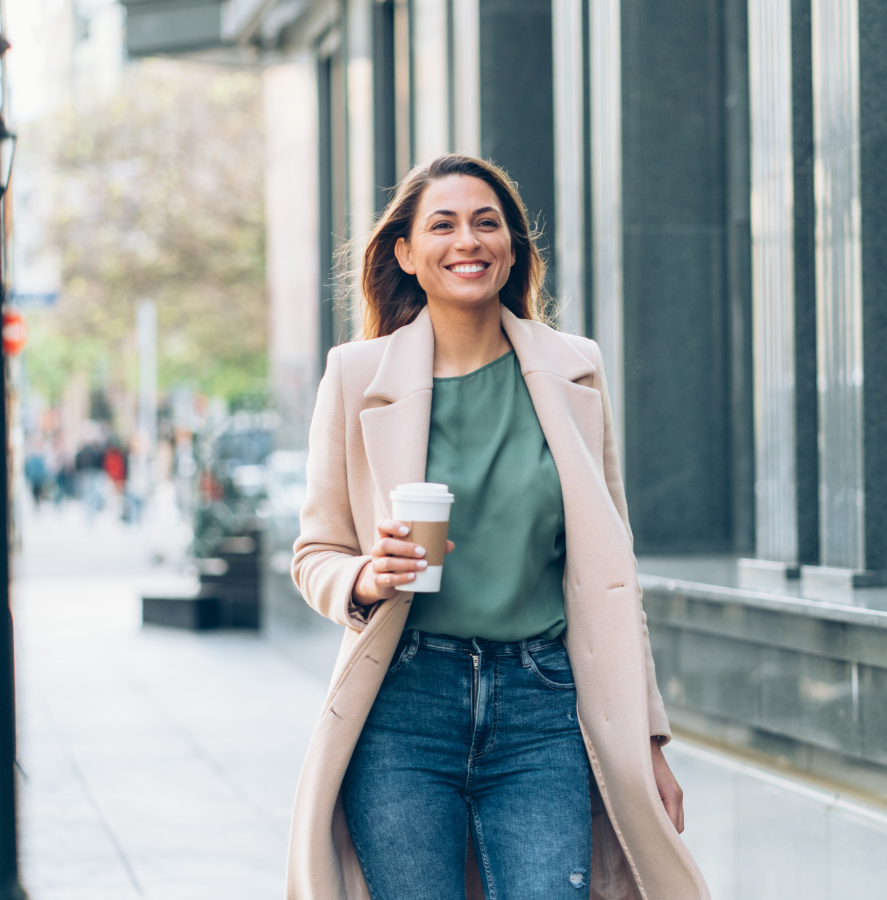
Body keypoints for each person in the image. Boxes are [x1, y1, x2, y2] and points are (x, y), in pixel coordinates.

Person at [287, 154, 708, 900]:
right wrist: (364, 575)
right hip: (404, 702)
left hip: (541, 704)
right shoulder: (356, 375)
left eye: (487, 223)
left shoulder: (576, 371)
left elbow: (613, 577)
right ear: (407, 254)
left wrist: (648, 741)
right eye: (442, 225)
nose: (467, 241)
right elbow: (316, 551)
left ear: (514, 247)